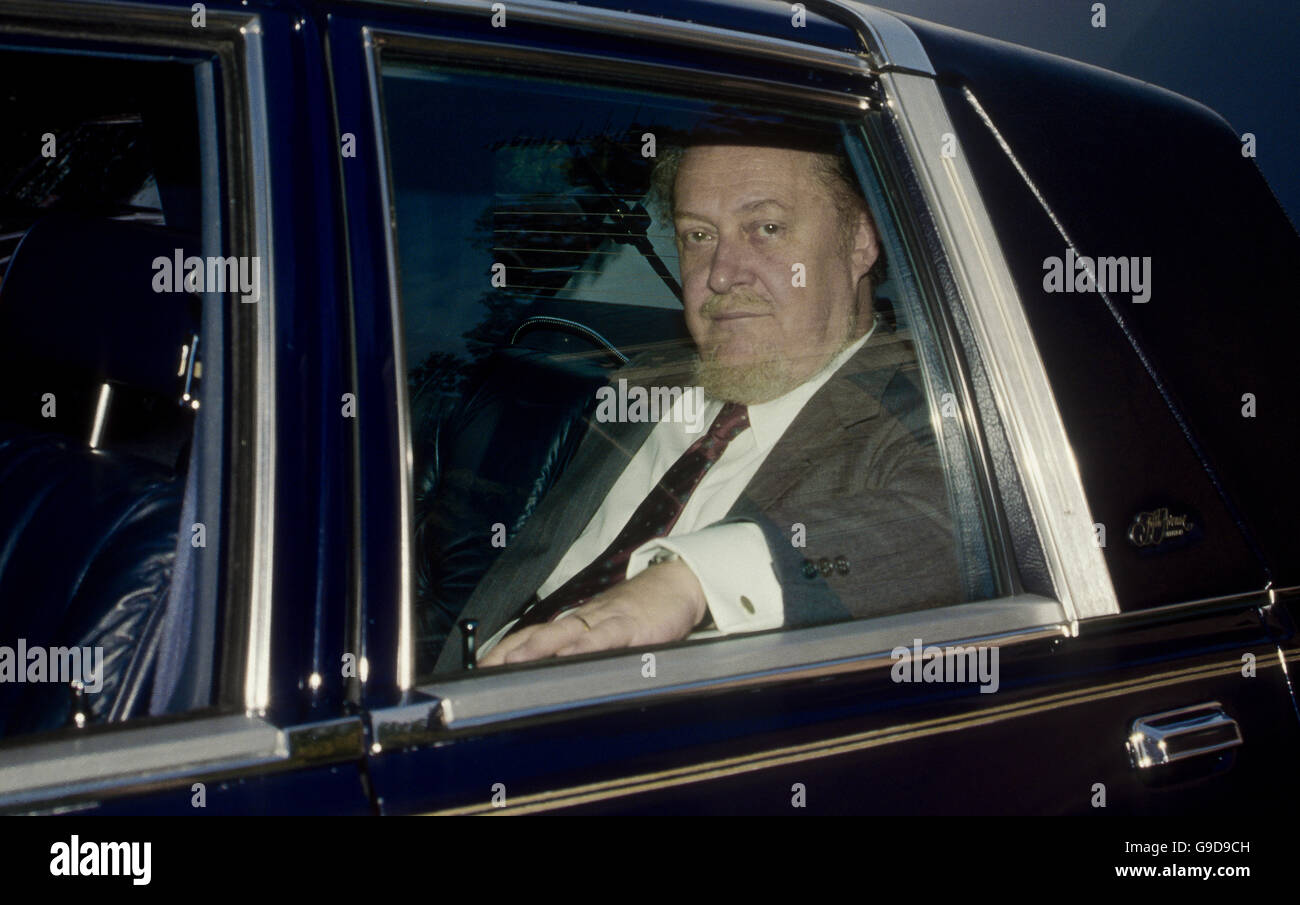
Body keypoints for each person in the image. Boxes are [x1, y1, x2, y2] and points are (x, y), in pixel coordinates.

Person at [433, 127, 962, 672]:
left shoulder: (936, 406)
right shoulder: (645, 381)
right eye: (698, 236)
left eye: (767, 228)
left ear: (860, 242)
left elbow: (950, 528)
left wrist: (687, 583)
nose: (721, 274)